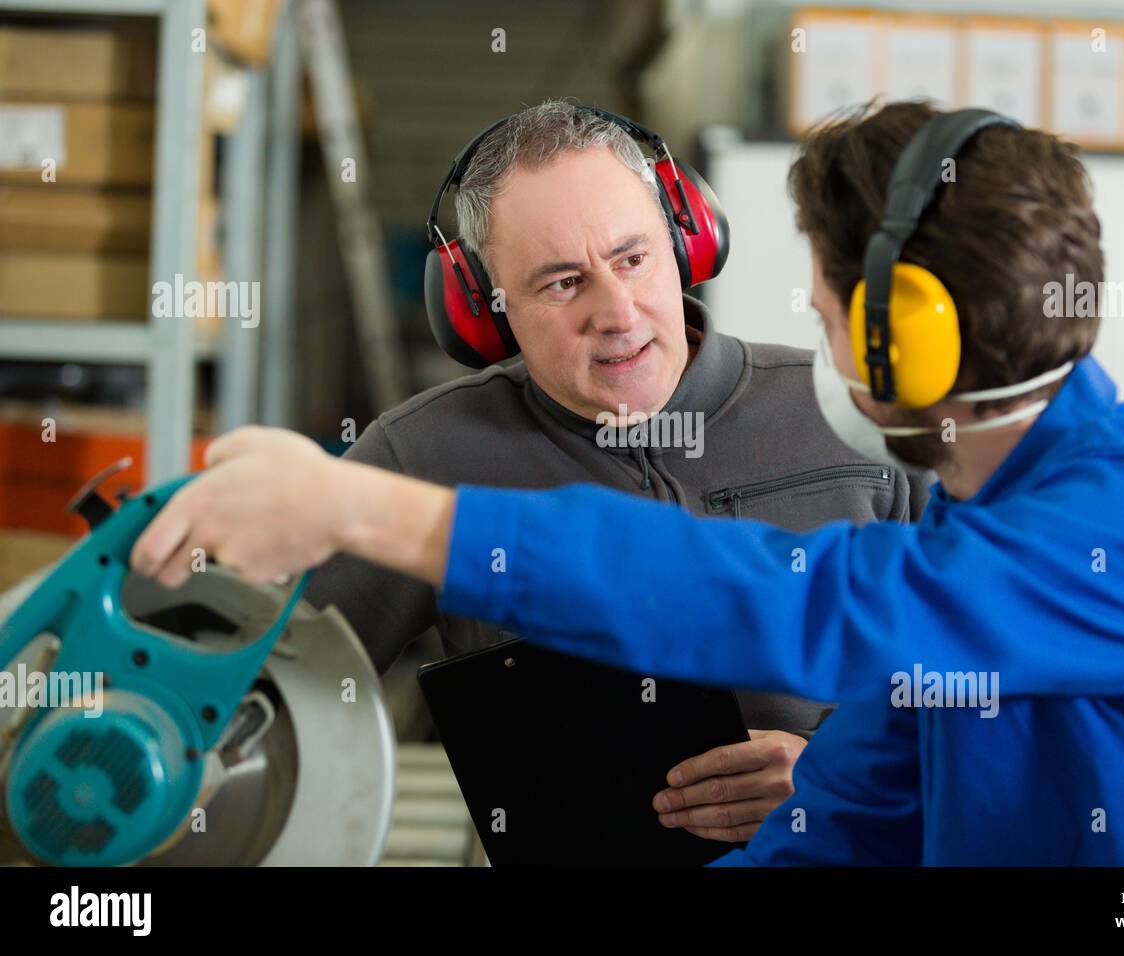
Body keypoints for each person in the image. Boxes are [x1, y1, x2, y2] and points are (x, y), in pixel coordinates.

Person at [131, 101, 1124, 864]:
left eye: (830, 294)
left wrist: (362, 505)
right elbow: (846, 816)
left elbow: (806, 599)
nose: (814, 322)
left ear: (907, 333)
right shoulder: (977, 519)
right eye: (557, 281)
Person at [298, 100, 921, 845]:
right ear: (485, 313)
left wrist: (840, 774)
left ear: (687, 242)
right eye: (562, 283)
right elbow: (275, 692)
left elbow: (990, 690)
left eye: (633, 258)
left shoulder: (854, 416)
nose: (618, 312)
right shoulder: (422, 458)